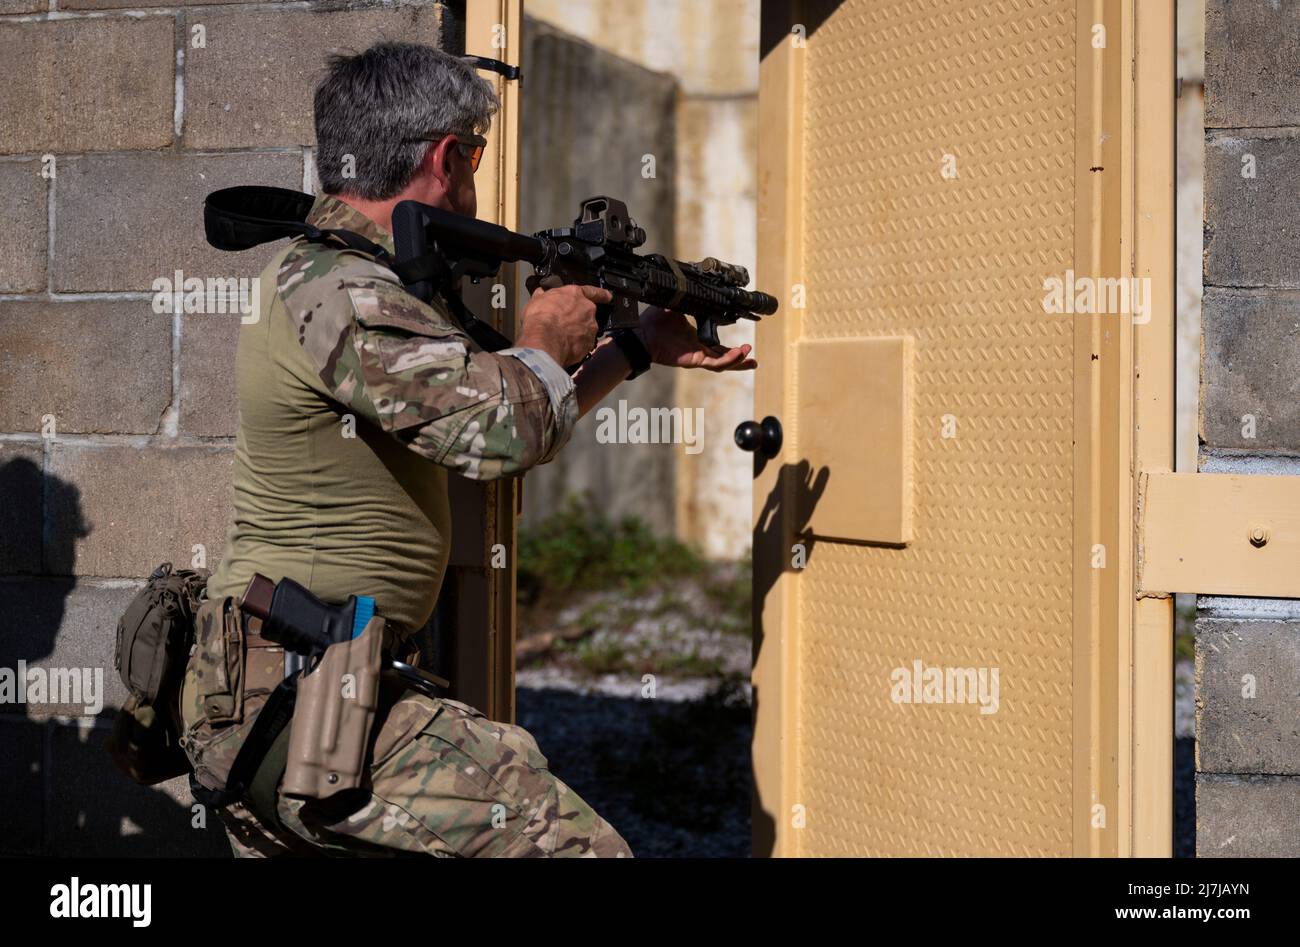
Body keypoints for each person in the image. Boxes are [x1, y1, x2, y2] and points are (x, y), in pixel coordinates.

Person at [180, 40, 756, 857]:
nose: (478, 180)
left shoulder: (360, 280)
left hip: (306, 688)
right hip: (296, 696)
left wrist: (627, 351)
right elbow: (498, 432)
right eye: (475, 156)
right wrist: (545, 334)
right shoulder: (344, 292)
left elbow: (508, 413)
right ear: (449, 158)